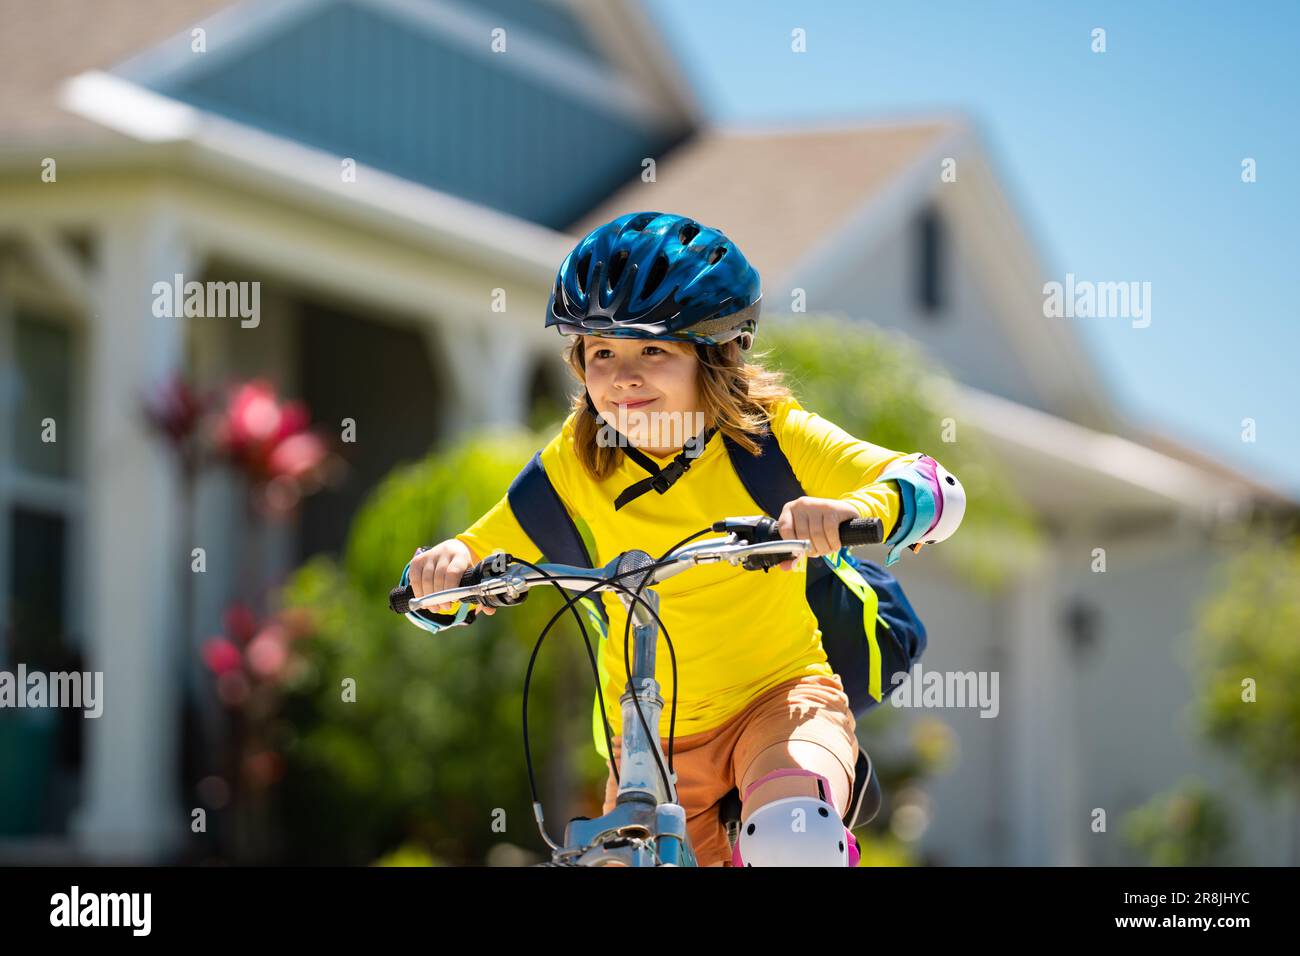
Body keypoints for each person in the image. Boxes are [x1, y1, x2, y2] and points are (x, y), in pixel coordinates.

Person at [406, 211, 962, 866]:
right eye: (601, 351)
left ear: (713, 356)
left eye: (653, 350)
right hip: (647, 737)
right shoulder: (577, 461)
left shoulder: (767, 437)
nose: (622, 375)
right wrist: (446, 575)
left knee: (795, 840)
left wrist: (853, 509)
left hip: (779, 701)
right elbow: (484, 549)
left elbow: (934, 486)